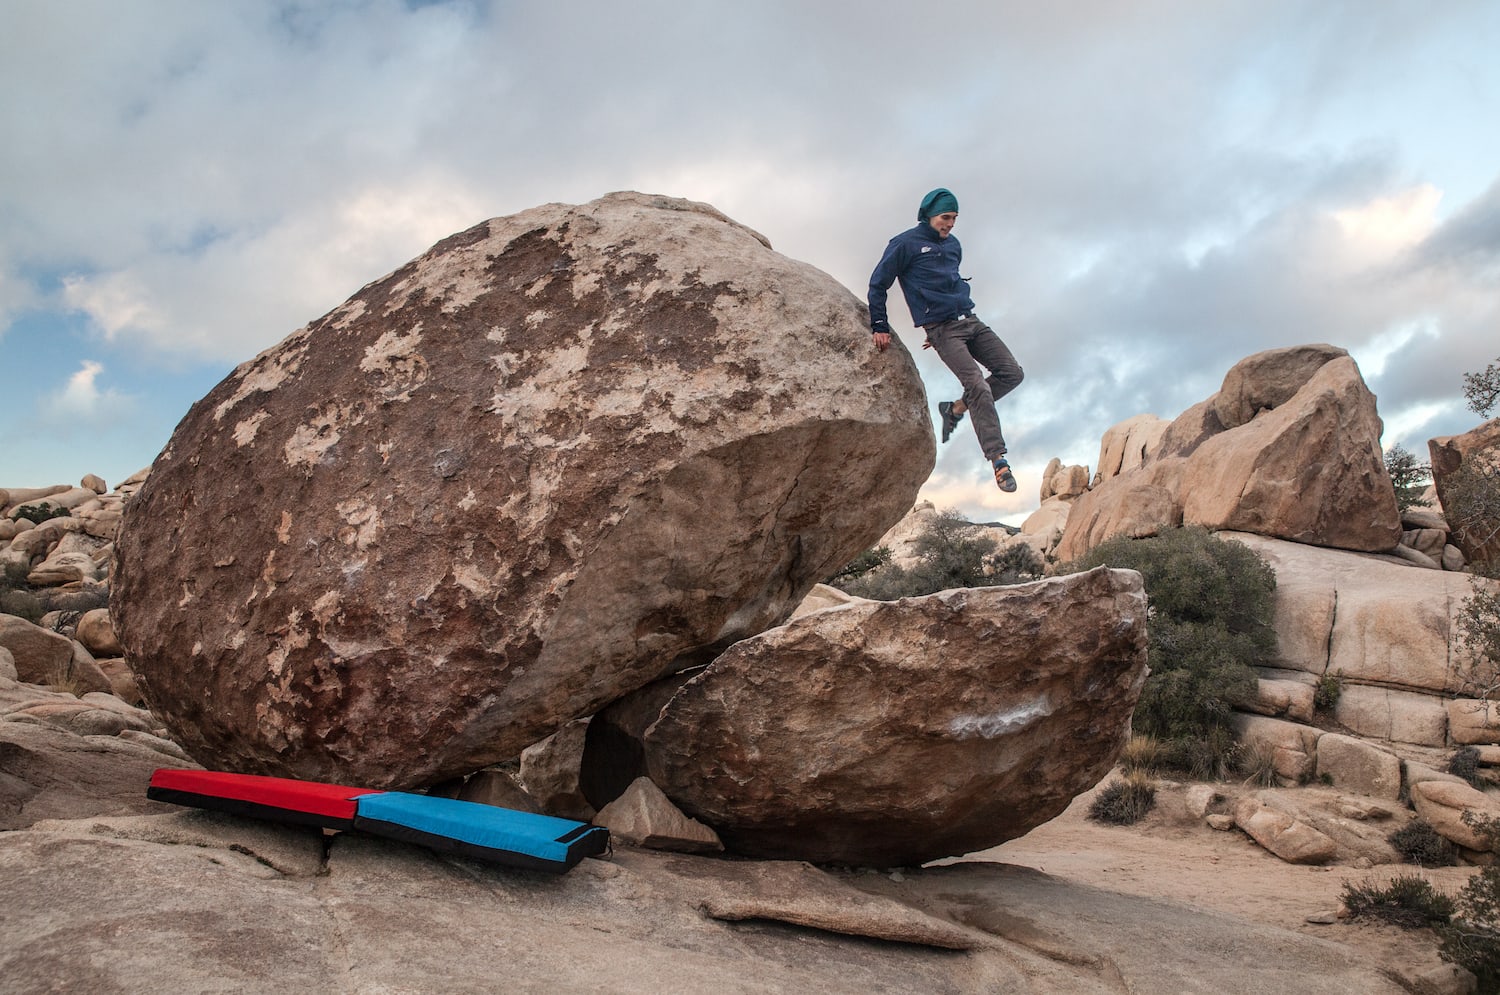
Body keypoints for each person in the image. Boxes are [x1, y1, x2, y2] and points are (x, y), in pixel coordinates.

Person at [868, 188, 1024, 493]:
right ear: (928, 215)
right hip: (943, 331)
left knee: (1012, 373)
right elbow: (878, 284)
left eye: (954, 218)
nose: (950, 223)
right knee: (977, 384)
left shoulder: (953, 246)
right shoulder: (904, 244)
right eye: (945, 217)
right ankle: (998, 460)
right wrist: (880, 324)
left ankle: (954, 409)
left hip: (970, 321)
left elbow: (948, 282)